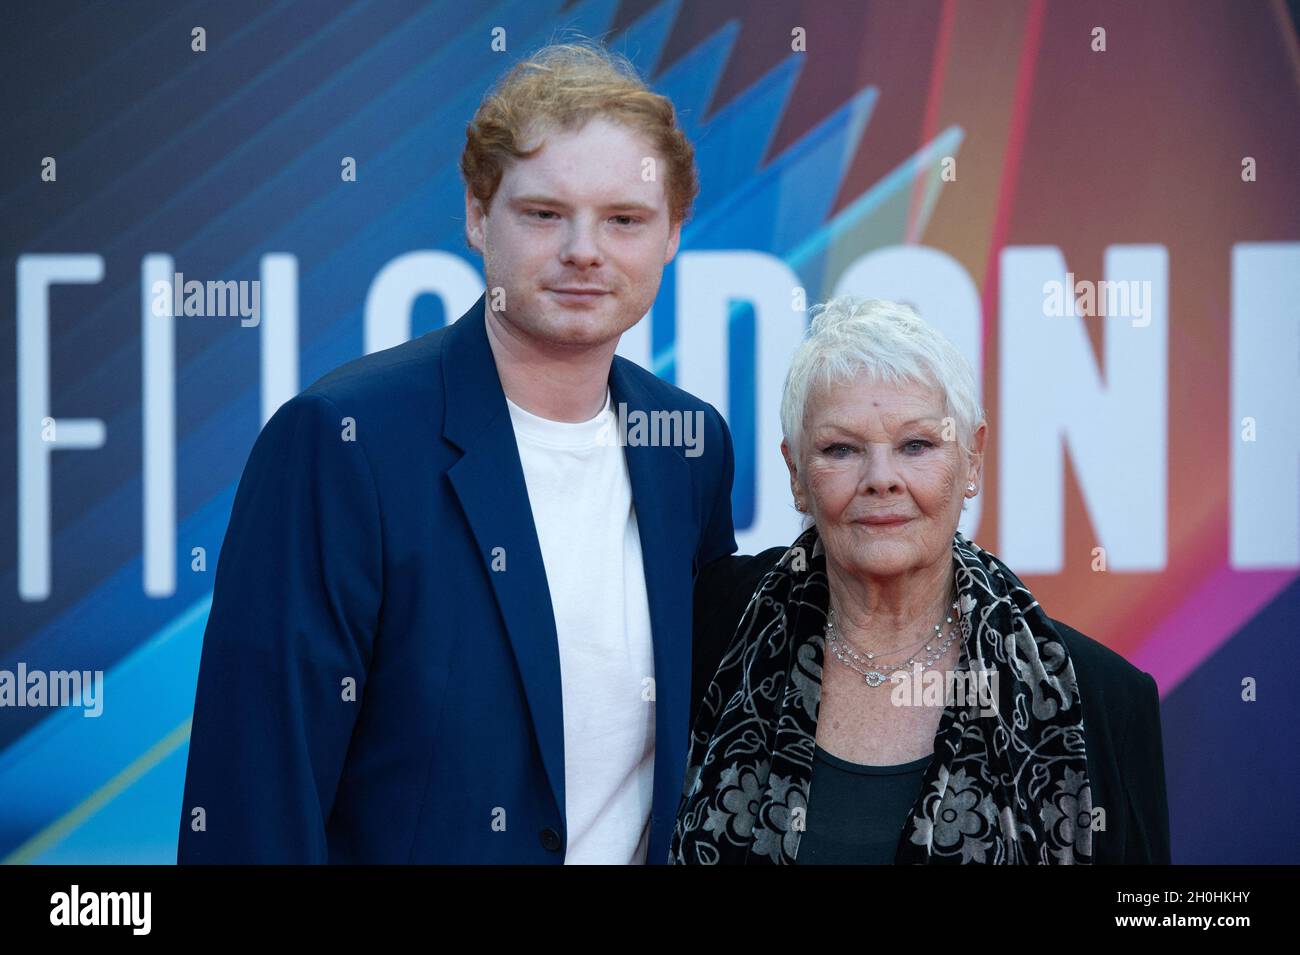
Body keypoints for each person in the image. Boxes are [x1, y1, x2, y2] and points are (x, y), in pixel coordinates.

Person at [178, 42, 736, 864]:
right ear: (479, 215)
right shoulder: (341, 441)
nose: (585, 249)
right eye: (545, 213)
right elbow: (255, 795)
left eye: (624, 218)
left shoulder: (688, 445)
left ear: (672, 236)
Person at [674, 297, 1170, 865]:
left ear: (972, 461)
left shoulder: (1098, 698)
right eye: (841, 449)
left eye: (916, 445)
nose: (881, 479)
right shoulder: (708, 637)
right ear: (796, 475)